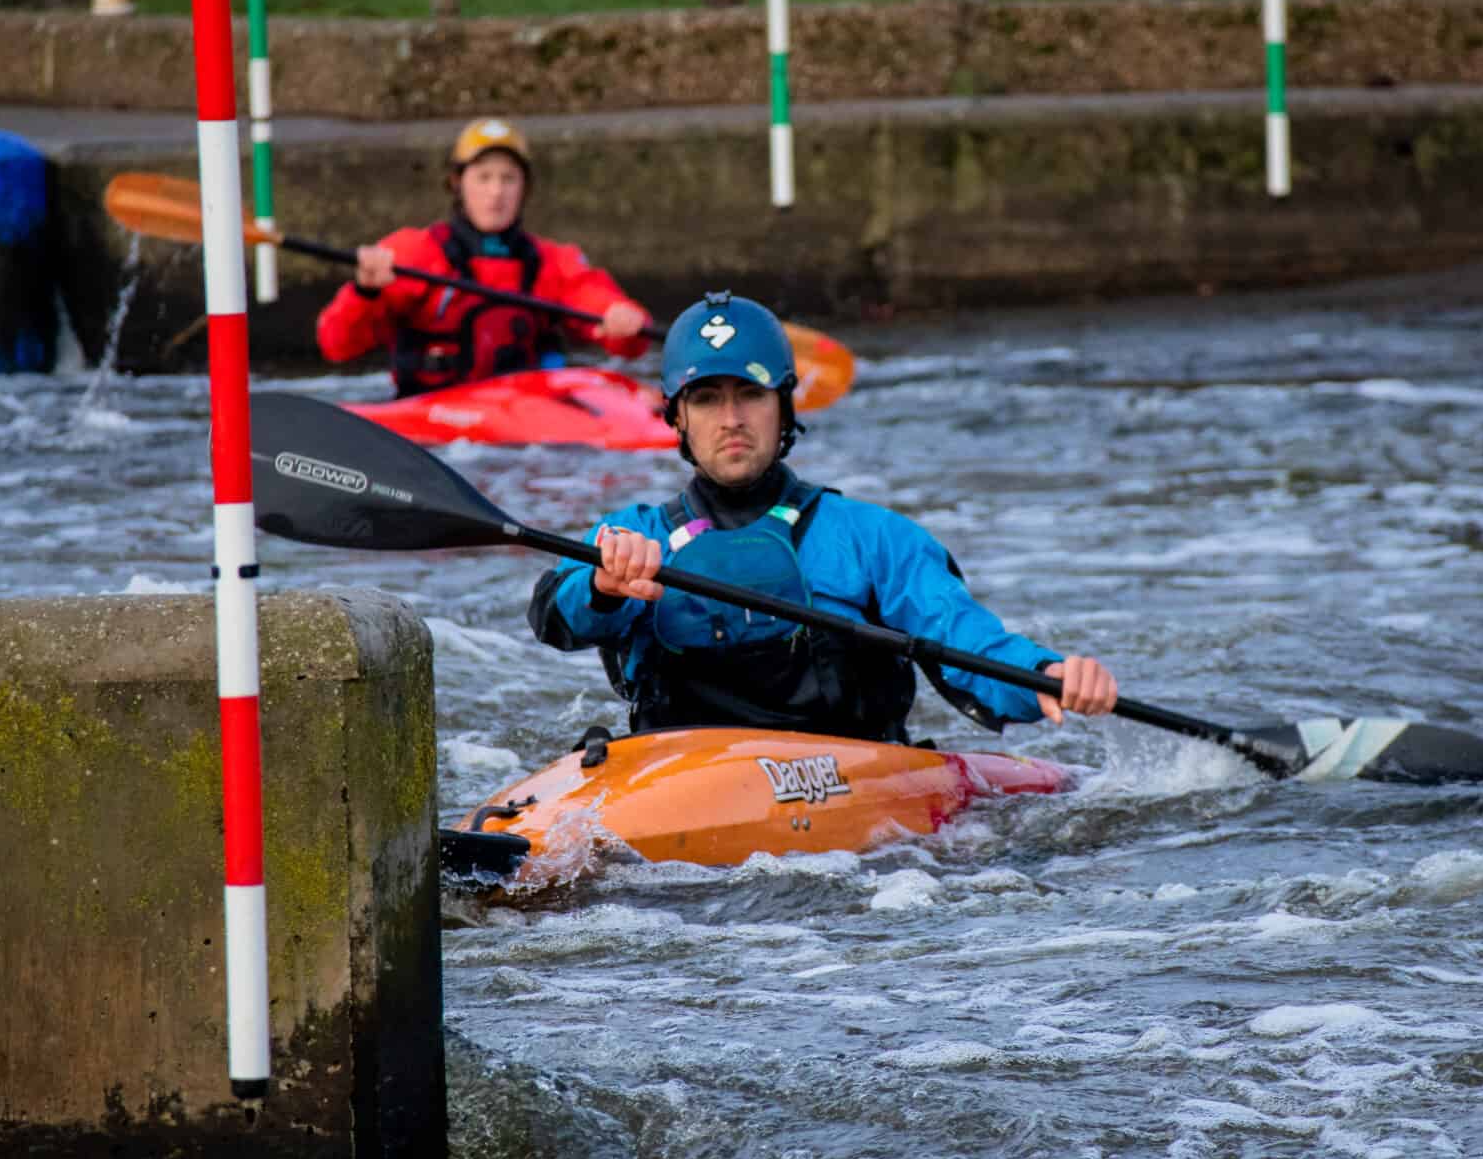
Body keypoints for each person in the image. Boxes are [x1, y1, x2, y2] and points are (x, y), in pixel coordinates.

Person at [528, 291, 1120, 743]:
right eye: (707, 399)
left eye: (751, 395)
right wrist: (603, 587)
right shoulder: (636, 537)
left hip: (849, 791)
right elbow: (557, 616)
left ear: (784, 408)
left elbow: (963, 638)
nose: (731, 417)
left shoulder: (871, 538)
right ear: (677, 418)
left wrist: (1045, 671)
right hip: (676, 779)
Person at [315, 117, 652, 396]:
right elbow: (336, 345)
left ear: (524, 188)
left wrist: (624, 320)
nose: (496, 192)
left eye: (508, 179)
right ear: (457, 183)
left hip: (524, 423)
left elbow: (617, 326)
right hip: (435, 427)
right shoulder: (415, 252)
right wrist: (364, 292)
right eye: (484, 177)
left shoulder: (549, 262)